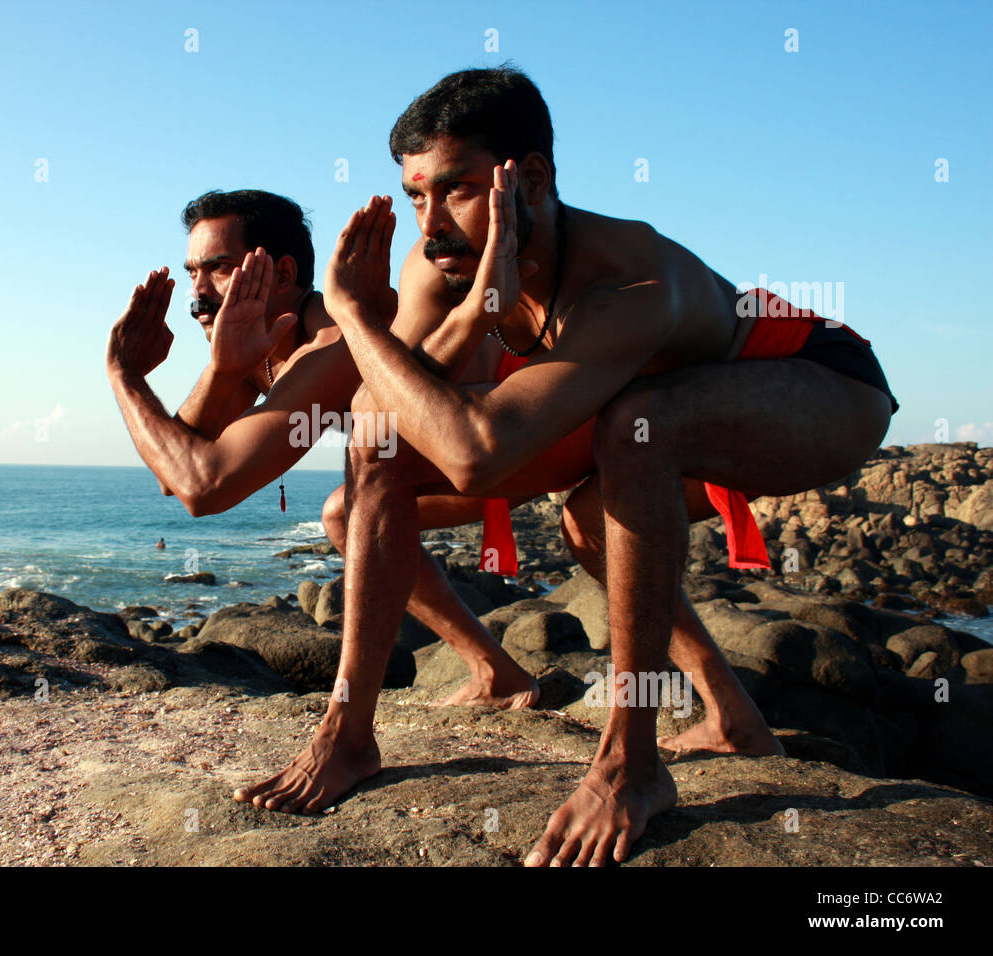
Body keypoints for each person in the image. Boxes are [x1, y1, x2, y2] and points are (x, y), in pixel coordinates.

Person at [235, 68, 896, 869]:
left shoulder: (630, 275)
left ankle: (631, 765)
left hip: (824, 385)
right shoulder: (439, 265)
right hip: (647, 407)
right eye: (414, 196)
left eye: (458, 190)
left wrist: (352, 316)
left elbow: (476, 453)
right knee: (475, 485)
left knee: (636, 427)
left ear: (534, 177)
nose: (432, 223)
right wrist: (448, 311)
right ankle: (347, 733)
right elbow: (386, 420)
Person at [105, 188, 545, 708]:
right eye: (193, 272)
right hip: (451, 462)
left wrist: (124, 376)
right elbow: (172, 475)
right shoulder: (255, 349)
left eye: (219, 269)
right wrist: (221, 373)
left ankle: (411, 697)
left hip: (523, 438)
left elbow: (204, 488)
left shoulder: (333, 343)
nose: (198, 294)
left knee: (347, 510)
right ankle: (498, 673)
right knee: (345, 513)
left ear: (284, 276)